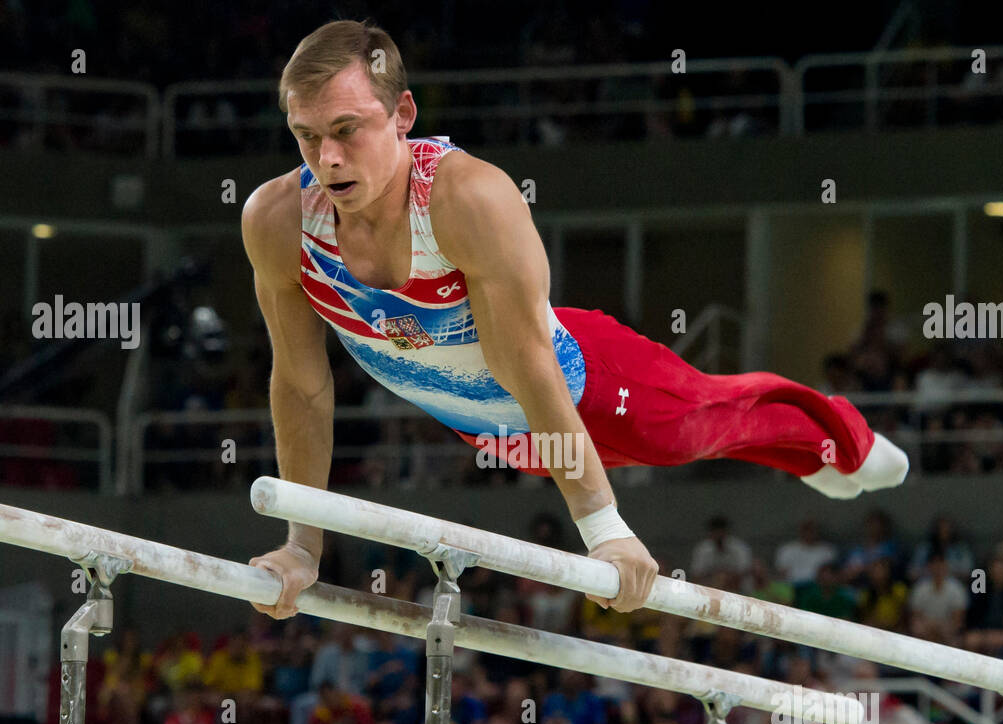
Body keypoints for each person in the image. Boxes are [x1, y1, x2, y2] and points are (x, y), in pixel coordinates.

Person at [242, 18, 909, 625]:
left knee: (698, 429)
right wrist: (302, 545)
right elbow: (302, 387)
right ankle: (817, 452)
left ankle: (837, 438)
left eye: (346, 130)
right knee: (692, 434)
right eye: (307, 136)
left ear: (401, 115)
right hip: (507, 434)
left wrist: (604, 529)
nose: (326, 159)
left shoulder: (468, 201)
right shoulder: (279, 223)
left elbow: (526, 367)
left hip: (586, 382)